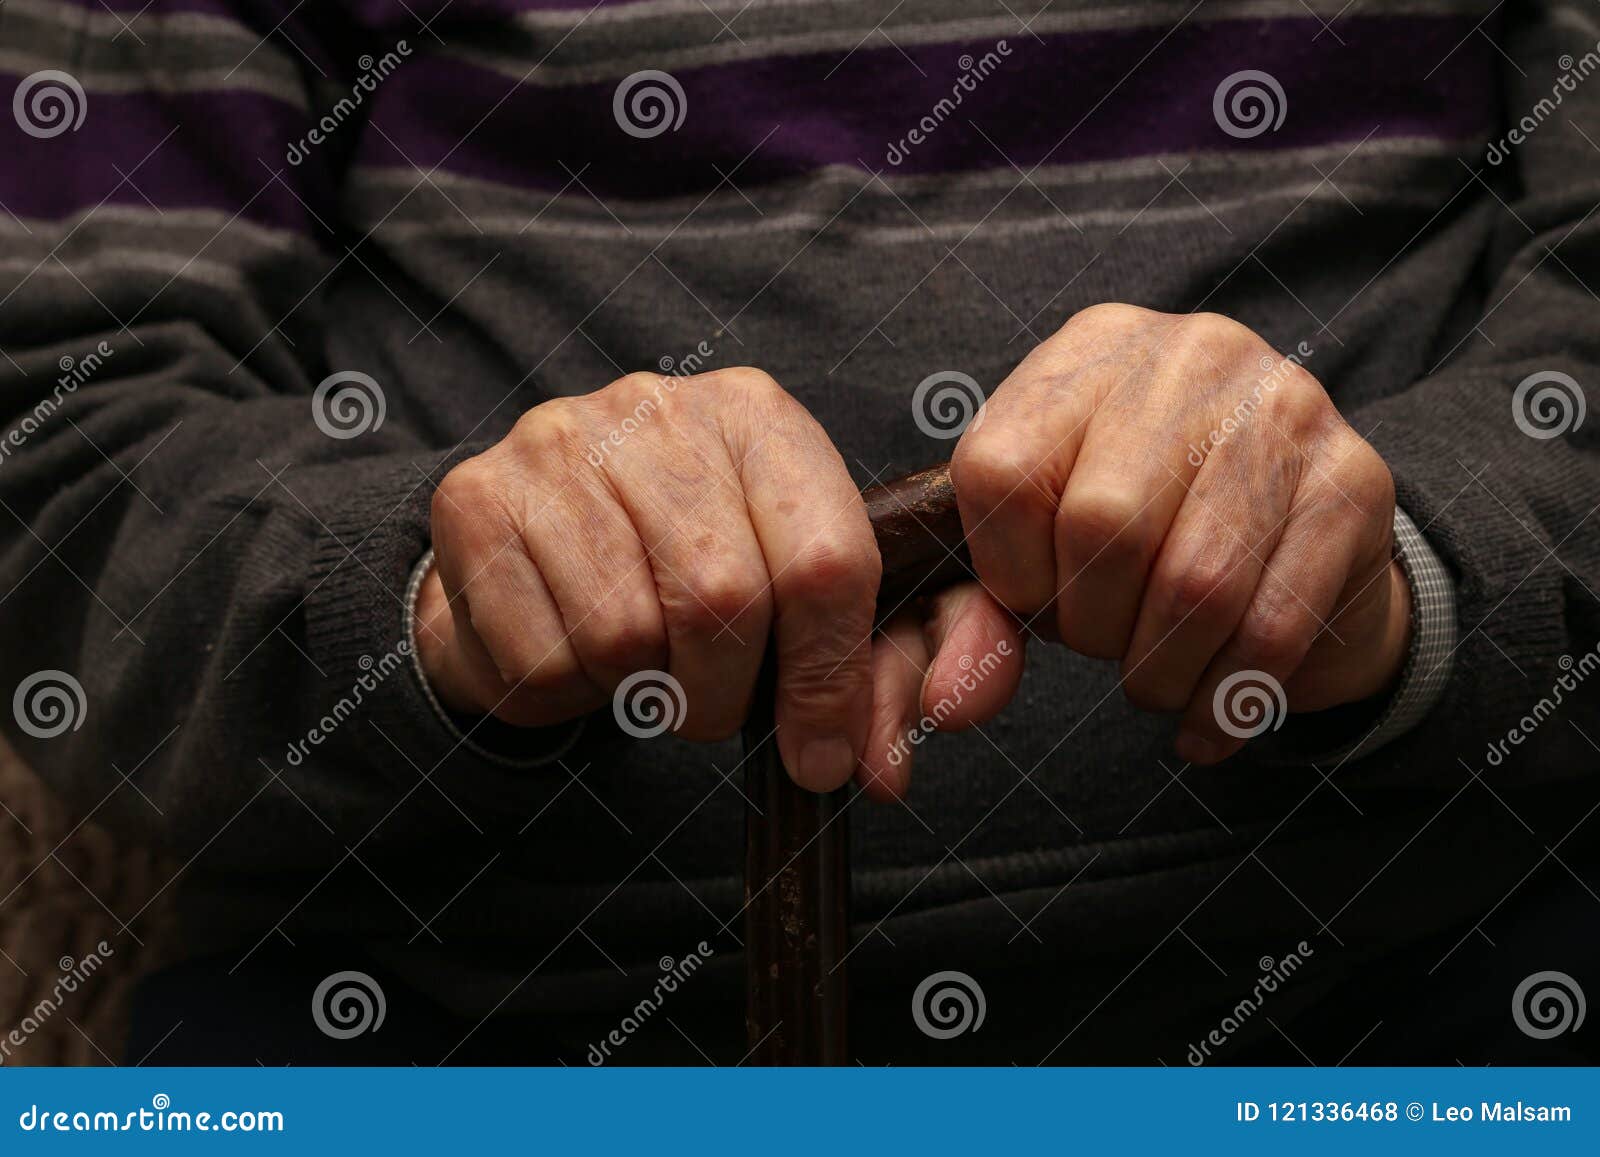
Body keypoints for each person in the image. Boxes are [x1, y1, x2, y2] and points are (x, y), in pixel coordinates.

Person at [2, 0, 1596, 1065]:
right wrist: (428, 591)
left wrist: (1408, 576)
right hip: (434, 1026)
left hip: (1450, 978)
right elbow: (62, 440)